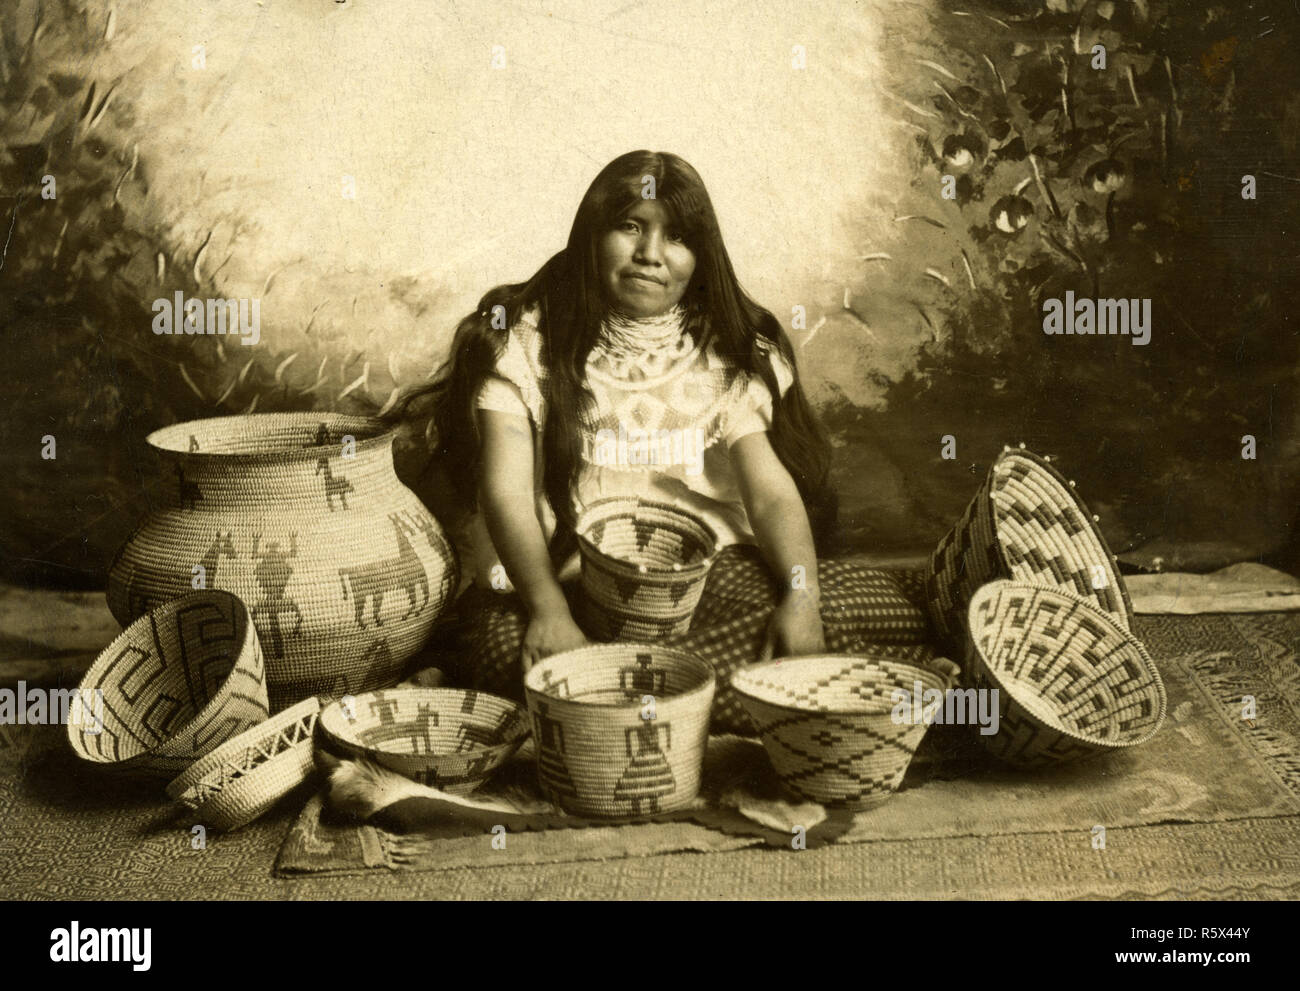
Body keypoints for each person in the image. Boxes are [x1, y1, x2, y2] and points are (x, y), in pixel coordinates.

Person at [394, 151, 930, 729]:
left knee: (835, 607)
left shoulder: (723, 350)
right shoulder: (525, 340)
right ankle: (774, 693)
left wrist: (801, 601)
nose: (650, 254)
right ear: (591, 234)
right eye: (630, 226)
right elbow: (505, 493)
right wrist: (548, 610)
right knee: (503, 655)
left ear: (700, 258)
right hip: (565, 584)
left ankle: (628, 697)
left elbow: (770, 494)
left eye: (676, 236)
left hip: (700, 585)